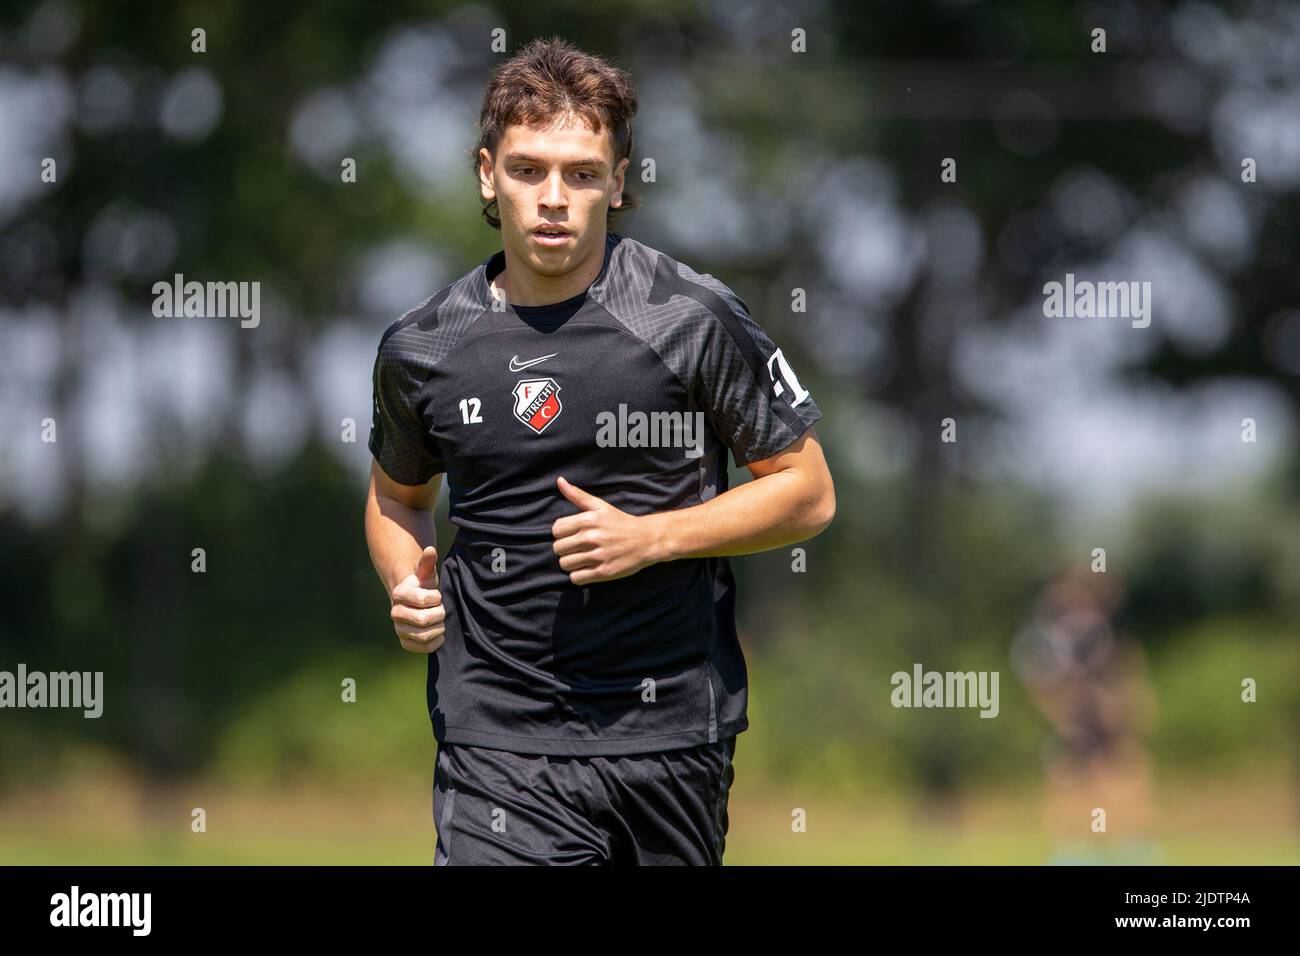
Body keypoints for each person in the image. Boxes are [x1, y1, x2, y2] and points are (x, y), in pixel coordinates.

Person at [363, 36, 835, 865]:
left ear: (617, 183)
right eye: (528, 169)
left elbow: (806, 491)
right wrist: (406, 583)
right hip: (495, 742)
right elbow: (397, 496)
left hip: (667, 736)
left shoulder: (691, 317)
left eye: (582, 174)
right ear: (486, 174)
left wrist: (654, 537)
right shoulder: (423, 347)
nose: (554, 198)